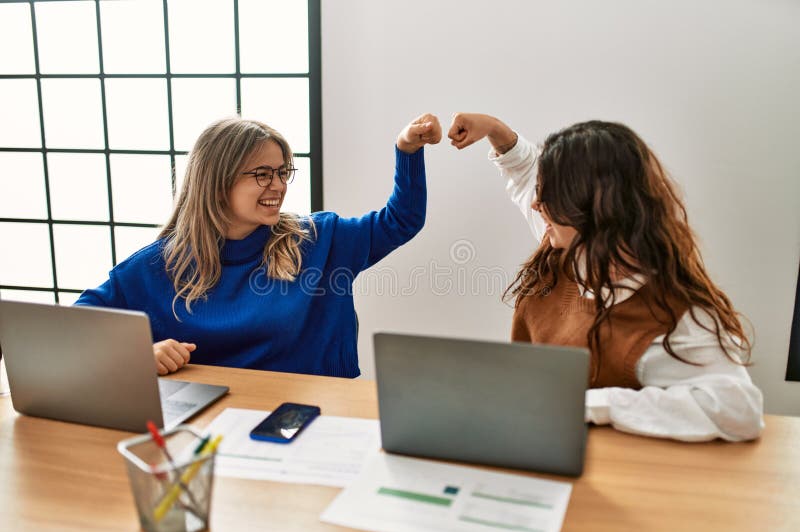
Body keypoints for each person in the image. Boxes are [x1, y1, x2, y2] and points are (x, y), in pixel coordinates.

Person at [447, 113, 763, 442]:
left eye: (550, 196)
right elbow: (526, 170)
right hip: (528, 439)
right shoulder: (566, 240)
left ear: (590, 210)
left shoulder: (675, 314)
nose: (538, 204)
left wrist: (595, 403)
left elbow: (740, 410)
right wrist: (494, 130)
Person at [76, 114, 441, 377]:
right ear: (217, 182)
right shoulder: (159, 265)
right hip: (210, 425)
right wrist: (140, 354)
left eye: (283, 172)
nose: (279, 185)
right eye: (263, 175)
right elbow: (76, 325)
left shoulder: (319, 240)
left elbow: (402, 220)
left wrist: (406, 149)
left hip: (316, 414)